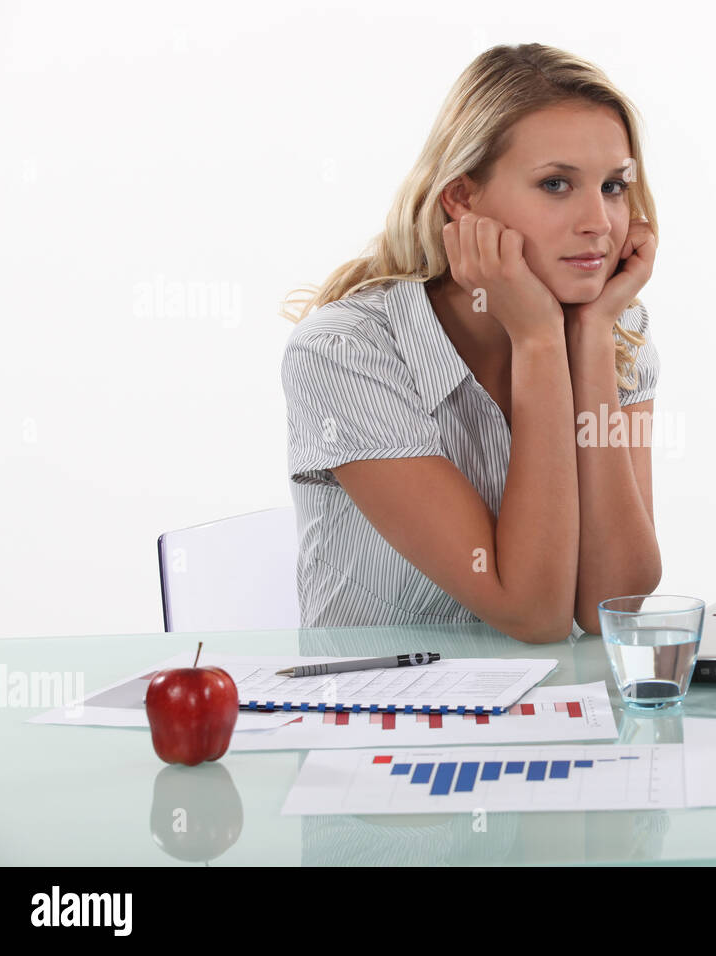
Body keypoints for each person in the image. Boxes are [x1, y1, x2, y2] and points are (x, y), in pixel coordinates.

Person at [279, 43, 662, 642]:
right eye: (556, 183)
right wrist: (536, 339)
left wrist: (588, 339)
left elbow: (612, 602)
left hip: (547, 712)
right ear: (461, 199)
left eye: (614, 186)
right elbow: (532, 613)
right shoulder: (348, 354)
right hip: (380, 720)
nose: (599, 221)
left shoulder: (619, 338)